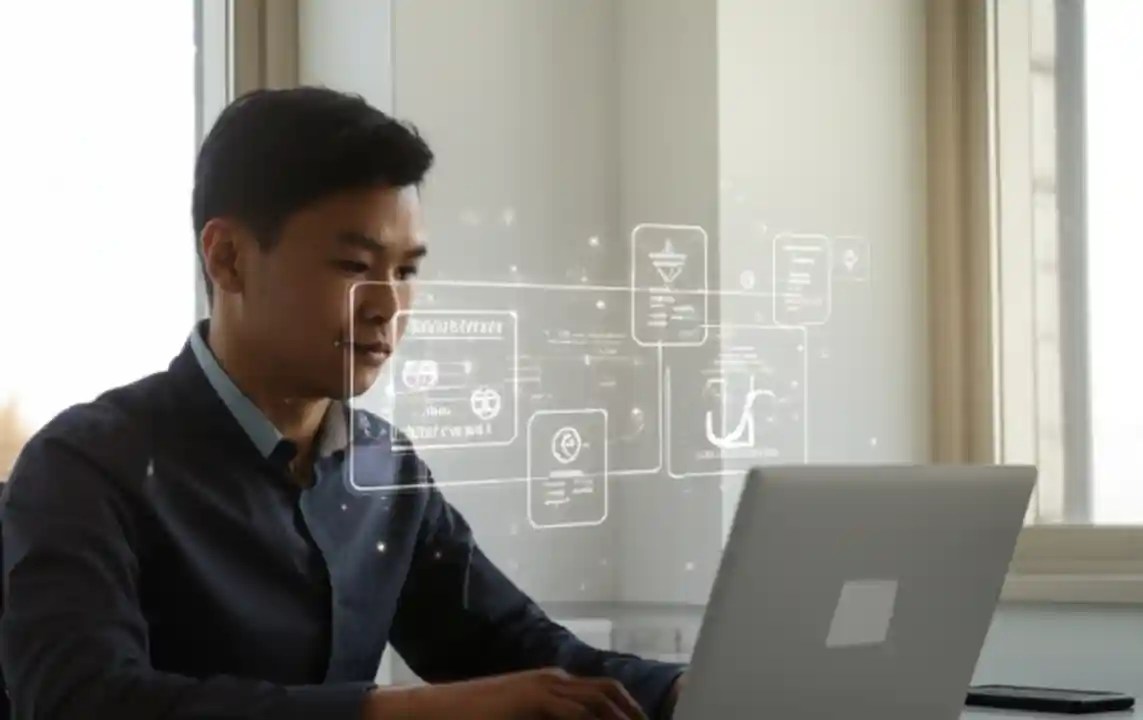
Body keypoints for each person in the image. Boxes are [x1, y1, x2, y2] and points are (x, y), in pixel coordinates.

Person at [0, 87, 685, 720]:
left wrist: (704, 689)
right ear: (229, 258)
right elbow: (80, 702)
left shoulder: (386, 473)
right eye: (356, 267)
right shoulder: (86, 467)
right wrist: (402, 712)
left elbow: (523, 652)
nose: (389, 305)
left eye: (407, 270)